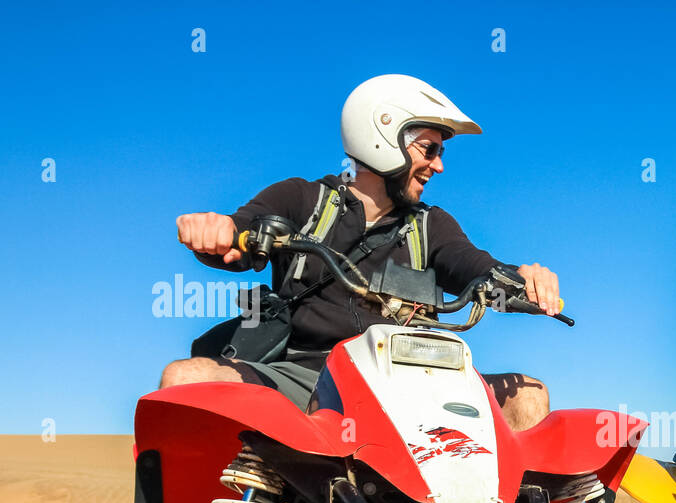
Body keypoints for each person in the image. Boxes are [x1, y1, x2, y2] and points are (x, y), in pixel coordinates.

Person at [161, 74, 557, 430]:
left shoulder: (430, 225)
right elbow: (245, 230)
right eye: (429, 149)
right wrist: (218, 231)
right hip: (306, 379)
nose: (438, 166)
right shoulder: (302, 199)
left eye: (440, 153)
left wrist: (520, 278)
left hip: (408, 383)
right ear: (384, 138)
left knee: (530, 396)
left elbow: (470, 263)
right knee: (185, 380)